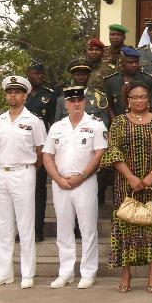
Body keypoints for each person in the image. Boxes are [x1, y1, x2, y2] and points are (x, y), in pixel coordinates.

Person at [105, 81, 152, 293]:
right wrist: (130, 177)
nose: (139, 100)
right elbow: (113, 150)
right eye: (134, 97)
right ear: (127, 100)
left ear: (149, 98)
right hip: (125, 184)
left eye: (143, 96)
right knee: (126, 226)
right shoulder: (118, 122)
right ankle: (126, 275)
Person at [0, 75, 47, 289]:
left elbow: (41, 152)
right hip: (1, 172)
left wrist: (28, 169)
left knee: (25, 224)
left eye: (17, 92)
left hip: (24, 172)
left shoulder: (34, 121)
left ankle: (27, 274)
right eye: (10, 92)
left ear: (25, 95)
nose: (13, 95)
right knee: (2, 225)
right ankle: (2, 273)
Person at [42, 86, 107, 289]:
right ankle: (66, 272)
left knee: (87, 229)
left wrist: (83, 175)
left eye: (79, 100)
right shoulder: (57, 126)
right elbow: (47, 155)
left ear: (84, 101)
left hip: (85, 183)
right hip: (61, 184)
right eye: (71, 101)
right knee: (64, 230)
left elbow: (99, 154)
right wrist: (58, 179)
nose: (76, 104)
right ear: (65, 104)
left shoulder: (95, 125)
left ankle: (88, 273)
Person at [25, 61, 56, 243]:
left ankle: (37, 229)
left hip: (40, 148)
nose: (39, 76)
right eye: (35, 73)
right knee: (21, 193)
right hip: (22, 148)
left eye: (41, 73)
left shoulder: (49, 96)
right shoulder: (21, 94)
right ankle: (23, 229)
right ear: (28, 73)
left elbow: (52, 124)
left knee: (38, 190)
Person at [103, 47, 152, 118]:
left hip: (141, 121)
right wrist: (115, 122)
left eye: (136, 62)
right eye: (130, 62)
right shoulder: (111, 81)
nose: (134, 65)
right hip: (119, 121)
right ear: (123, 63)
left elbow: (150, 104)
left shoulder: (146, 80)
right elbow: (109, 106)